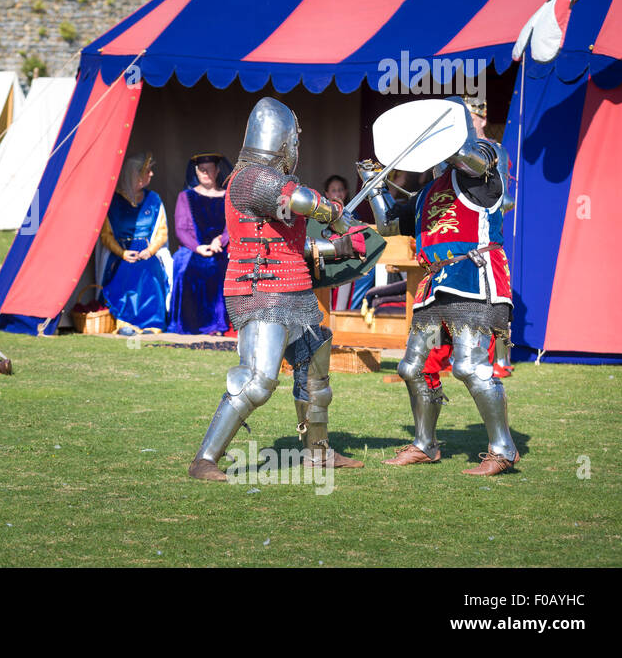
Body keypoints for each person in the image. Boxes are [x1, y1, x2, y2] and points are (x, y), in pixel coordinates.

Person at [188, 98, 367, 482]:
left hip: (294, 291)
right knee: (258, 381)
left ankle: (318, 455)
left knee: (316, 377)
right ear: (284, 142)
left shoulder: (266, 182)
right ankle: (204, 459)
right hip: (262, 290)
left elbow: (284, 244)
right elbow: (299, 199)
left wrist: (336, 246)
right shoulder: (254, 177)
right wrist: (335, 213)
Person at [359, 95, 519, 476]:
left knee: (468, 365)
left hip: (474, 278)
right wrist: (374, 185)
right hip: (436, 286)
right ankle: (425, 444)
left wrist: (447, 136)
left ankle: (503, 448)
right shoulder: (428, 193)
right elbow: (387, 224)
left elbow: (472, 156)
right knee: (413, 366)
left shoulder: (484, 166)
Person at [96, 152, 170, 332]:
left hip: (146, 251)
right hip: (121, 252)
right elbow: (105, 234)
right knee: (124, 271)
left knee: (150, 270)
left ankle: (152, 322)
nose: (151, 174)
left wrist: (150, 251)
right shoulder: (112, 201)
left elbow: (162, 232)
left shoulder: (154, 200)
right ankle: (124, 321)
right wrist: (122, 253)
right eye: (147, 171)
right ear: (134, 175)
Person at [168, 153, 231, 335]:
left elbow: (232, 225)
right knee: (186, 268)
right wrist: (197, 247)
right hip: (194, 249)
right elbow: (181, 228)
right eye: (202, 170)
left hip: (219, 248)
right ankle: (191, 324)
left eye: (209, 169)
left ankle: (218, 325)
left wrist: (220, 240)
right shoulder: (186, 196)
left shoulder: (227, 197)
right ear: (196, 172)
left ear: (217, 171)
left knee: (220, 267)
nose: (206, 173)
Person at [322, 174, 374, 311]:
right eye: (334, 190)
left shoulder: (352, 214)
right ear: (327, 194)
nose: (338, 193)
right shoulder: (321, 214)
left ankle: (340, 315)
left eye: (340, 190)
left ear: (345, 192)